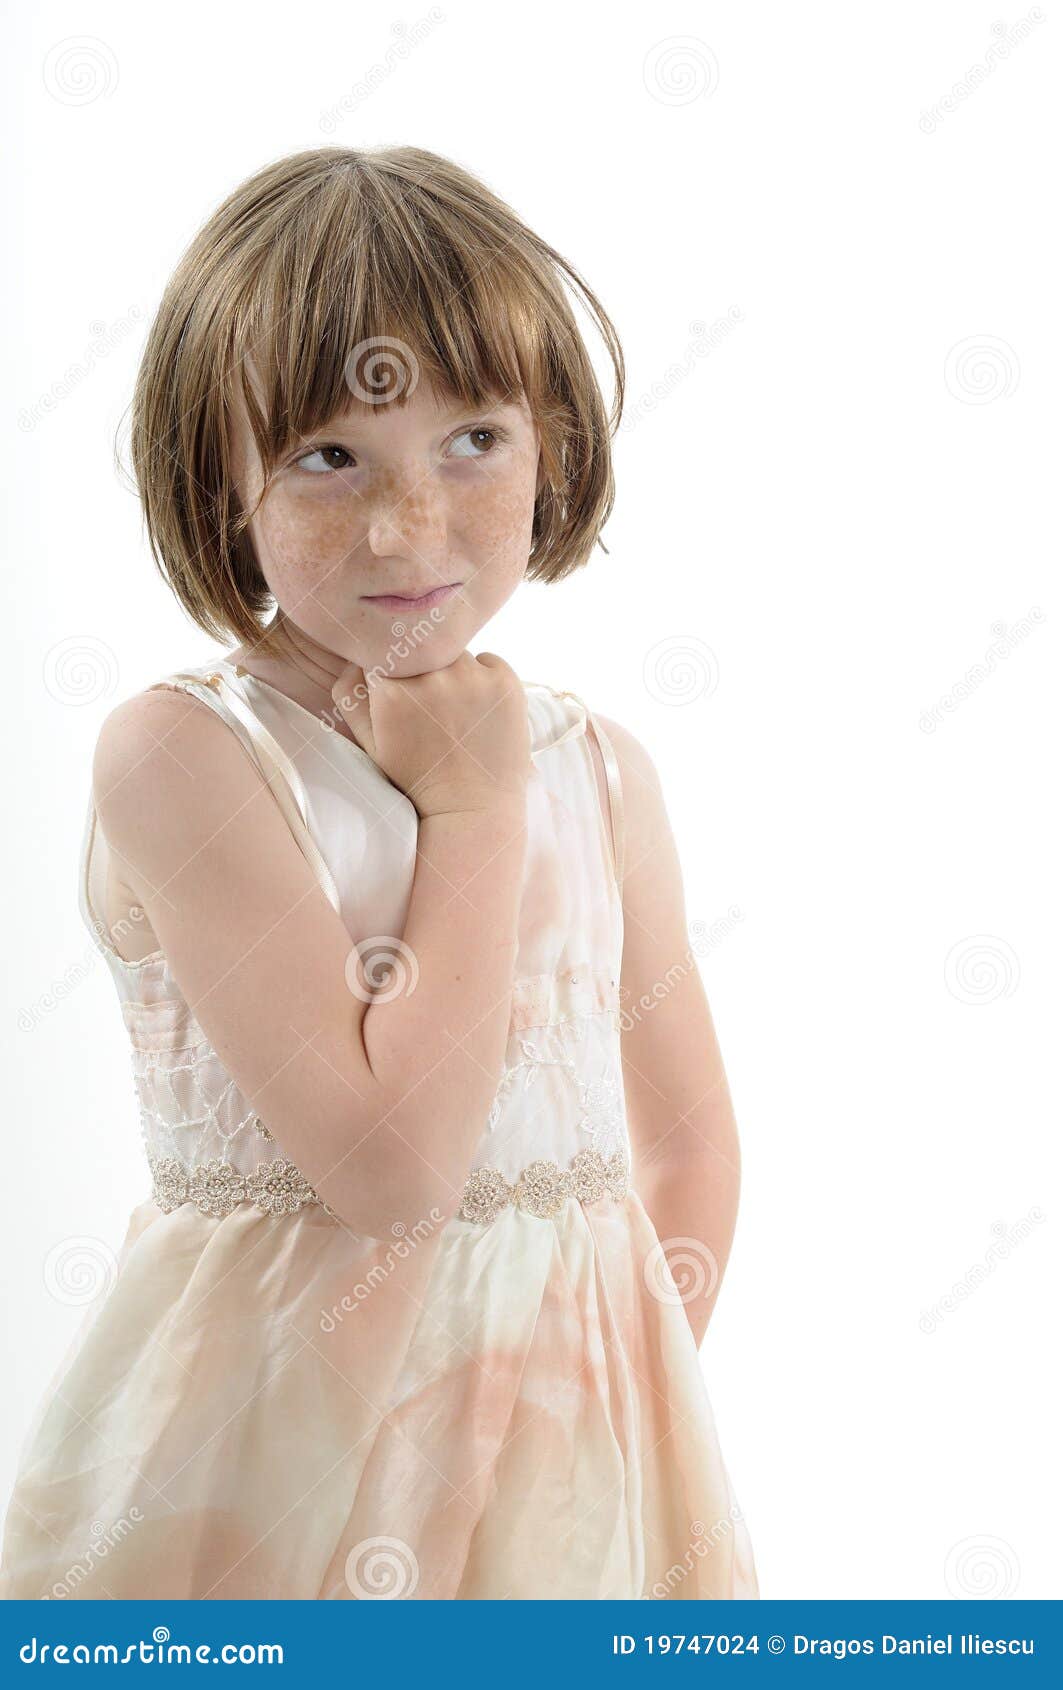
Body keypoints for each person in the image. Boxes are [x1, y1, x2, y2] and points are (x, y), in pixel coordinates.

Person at [0, 145, 758, 1601]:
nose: (410, 527)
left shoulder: (600, 771)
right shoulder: (187, 759)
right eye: (331, 457)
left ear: (554, 445)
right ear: (218, 486)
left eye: (474, 439)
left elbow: (688, 1141)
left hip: (567, 1492)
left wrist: (597, 1415)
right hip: (268, 1485)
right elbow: (392, 1170)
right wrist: (471, 809)